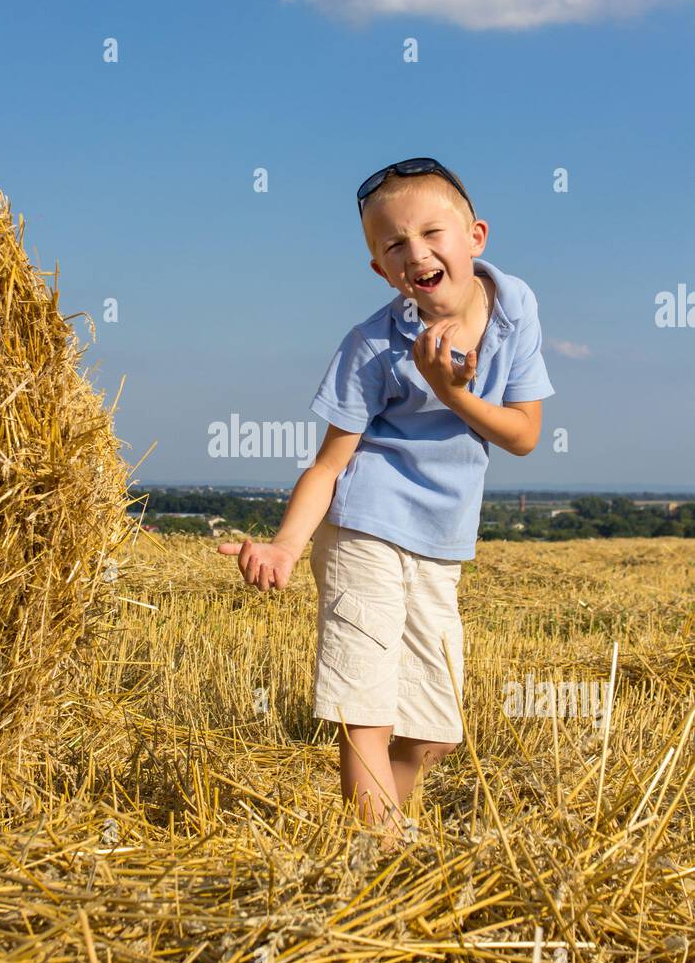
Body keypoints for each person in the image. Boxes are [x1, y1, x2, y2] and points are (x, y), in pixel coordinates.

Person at [218, 158, 555, 851]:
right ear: (380, 269)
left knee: (433, 732)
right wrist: (285, 545)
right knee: (366, 703)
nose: (417, 253)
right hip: (362, 527)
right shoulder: (372, 345)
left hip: (441, 541)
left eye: (433, 232)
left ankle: (379, 836)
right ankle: (375, 857)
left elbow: (523, 434)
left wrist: (455, 393)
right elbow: (329, 464)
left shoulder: (515, 305)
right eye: (394, 245)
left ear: (476, 237)